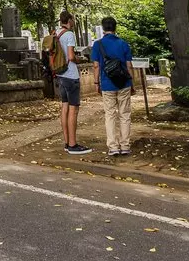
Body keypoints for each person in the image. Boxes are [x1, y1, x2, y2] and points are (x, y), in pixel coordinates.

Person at [91, 16, 134, 156]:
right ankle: (125, 145)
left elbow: (96, 66)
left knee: (110, 115)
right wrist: (131, 82)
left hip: (107, 84)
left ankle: (113, 147)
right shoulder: (123, 44)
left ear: (103, 28)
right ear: (115, 27)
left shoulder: (98, 45)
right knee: (125, 114)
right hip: (124, 83)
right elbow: (129, 66)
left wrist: (96, 82)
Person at [55, 10, 91, 154]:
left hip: (60, 75)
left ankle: (66, 141)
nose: (74, 22)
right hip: (70, 75)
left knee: (65, 107)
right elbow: (70, 56)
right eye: (73, 19)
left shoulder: (57, 33)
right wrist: (79, 59)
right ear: (69, 20)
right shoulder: (69, 34)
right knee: (73, 109)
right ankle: (72, 144)